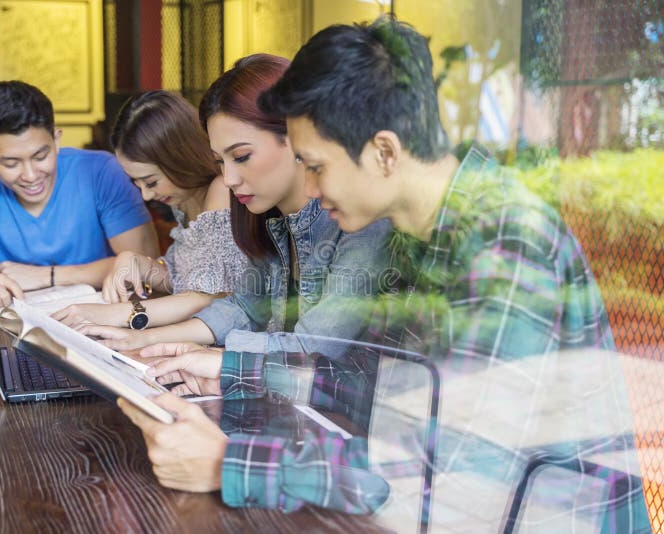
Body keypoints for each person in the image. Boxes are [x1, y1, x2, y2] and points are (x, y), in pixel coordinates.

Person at [112, 17, 649, 531]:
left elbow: (454, 478)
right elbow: (381, 387)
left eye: (316, 166)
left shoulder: (504, 245)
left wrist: (229, 463)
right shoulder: (412, 231)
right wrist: (234, 372)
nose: (313, 192)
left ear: (384, 151)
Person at [79, 54, 392, 354]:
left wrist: (218, 361)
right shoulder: (270, 220)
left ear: (297, 136)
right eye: (220, 161)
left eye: (241, 157)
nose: (228, 178)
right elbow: (243, 307)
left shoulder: (359, 219)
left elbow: (311, 349)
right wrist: (140, 341)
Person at [0, 81, 159, 310]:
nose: (30, 175)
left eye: (40, 156)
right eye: (11, 163)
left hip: (104, 319)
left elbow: (143, 266)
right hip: (20, 327)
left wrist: (47, 276)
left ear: (56, 141)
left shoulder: (101, 171)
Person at [52, 90, 249, 329]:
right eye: (136, 183)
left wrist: (117, 314)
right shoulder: (185, 201)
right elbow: (183, 281)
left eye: (151, 182)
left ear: (179, 158)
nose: (146, 195)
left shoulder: (221, 191)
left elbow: (210, 298)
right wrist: (134, 260)